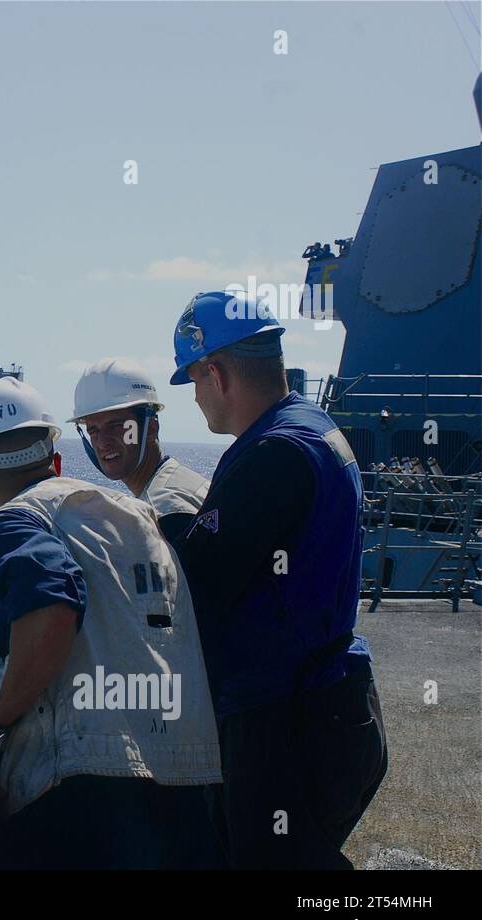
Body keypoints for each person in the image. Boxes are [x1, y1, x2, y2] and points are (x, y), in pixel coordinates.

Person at [0, 376, 221, 869]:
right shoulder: (137, 515)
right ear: (54, 460)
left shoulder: (12, 522)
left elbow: (52, 605)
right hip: (184, 792)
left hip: (80, 804)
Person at [168, 290, 389, 869]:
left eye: (192, 381)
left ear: (214, 372)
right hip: (331, 705)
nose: (195, 398)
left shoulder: (273, 454)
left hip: (287, 725)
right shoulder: (312, 428)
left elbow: (197, 584)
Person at [69, 357, 209, 543]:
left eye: (117, 425)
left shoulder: (162, 512)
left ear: (151, 427)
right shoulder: (178, 484)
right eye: (93, 430)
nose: (102, 443)